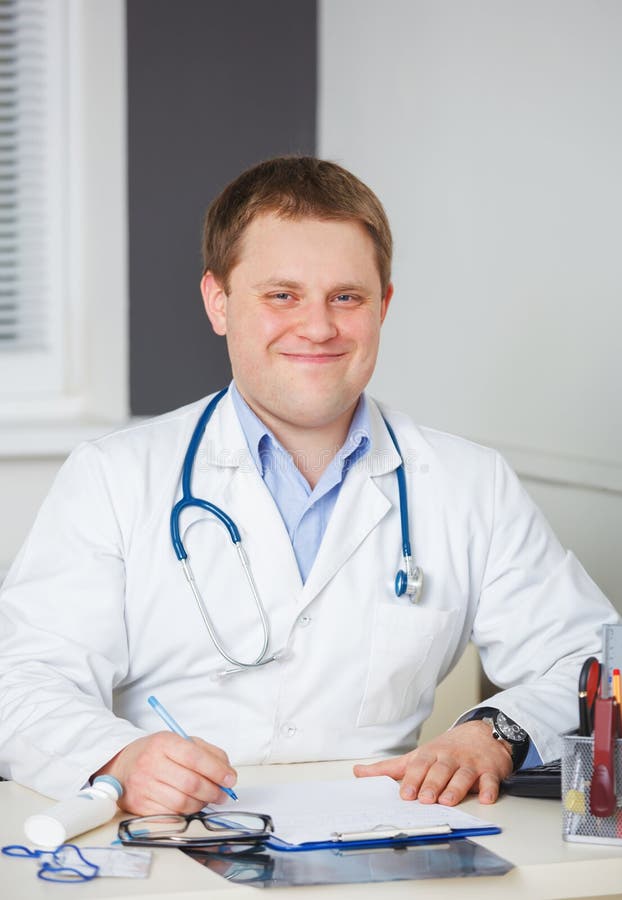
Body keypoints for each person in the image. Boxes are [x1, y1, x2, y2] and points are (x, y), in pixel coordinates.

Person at [0, 157, 617, 816]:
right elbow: (24, 680)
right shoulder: (113, 477)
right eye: (282, 295)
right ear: (218, 301)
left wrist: (495, 733)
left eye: (346, 297)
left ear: (384, 304)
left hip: (385, 836)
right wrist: (118, 758)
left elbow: (589, 662)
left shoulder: (469, 483)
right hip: (171, 834)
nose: (319, 327)